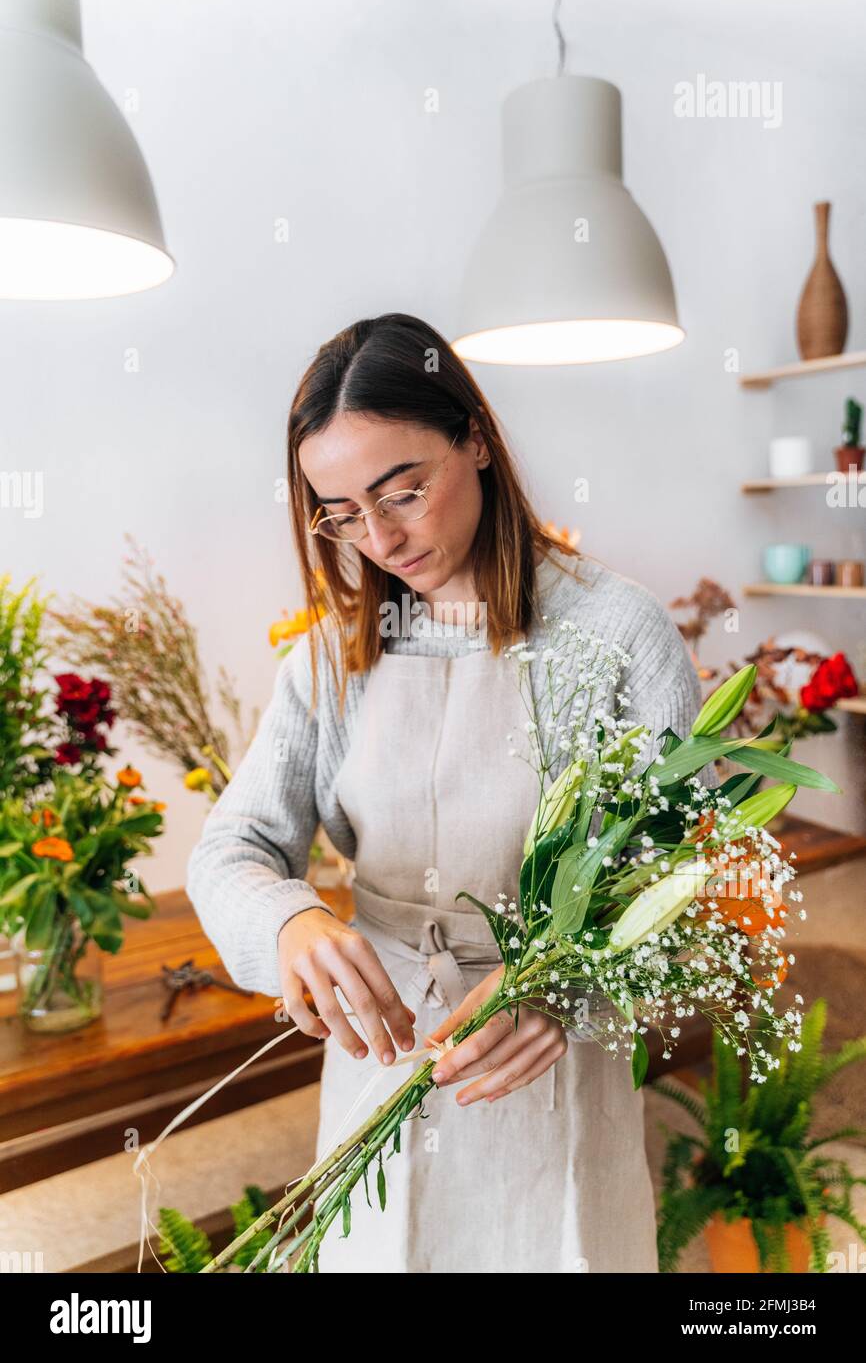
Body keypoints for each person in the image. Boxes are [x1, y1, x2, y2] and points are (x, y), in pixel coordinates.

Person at [185, 311, 715, 1273]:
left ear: (475, 437)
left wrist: (566, 990)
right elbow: (233, 849)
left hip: (548, 1078)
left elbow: (685, 881)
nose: (379, 538)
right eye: (340, 512)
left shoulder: (618, 634)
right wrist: (290, 926)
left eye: (402, 491)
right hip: (382, 1064)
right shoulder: (332, 657)